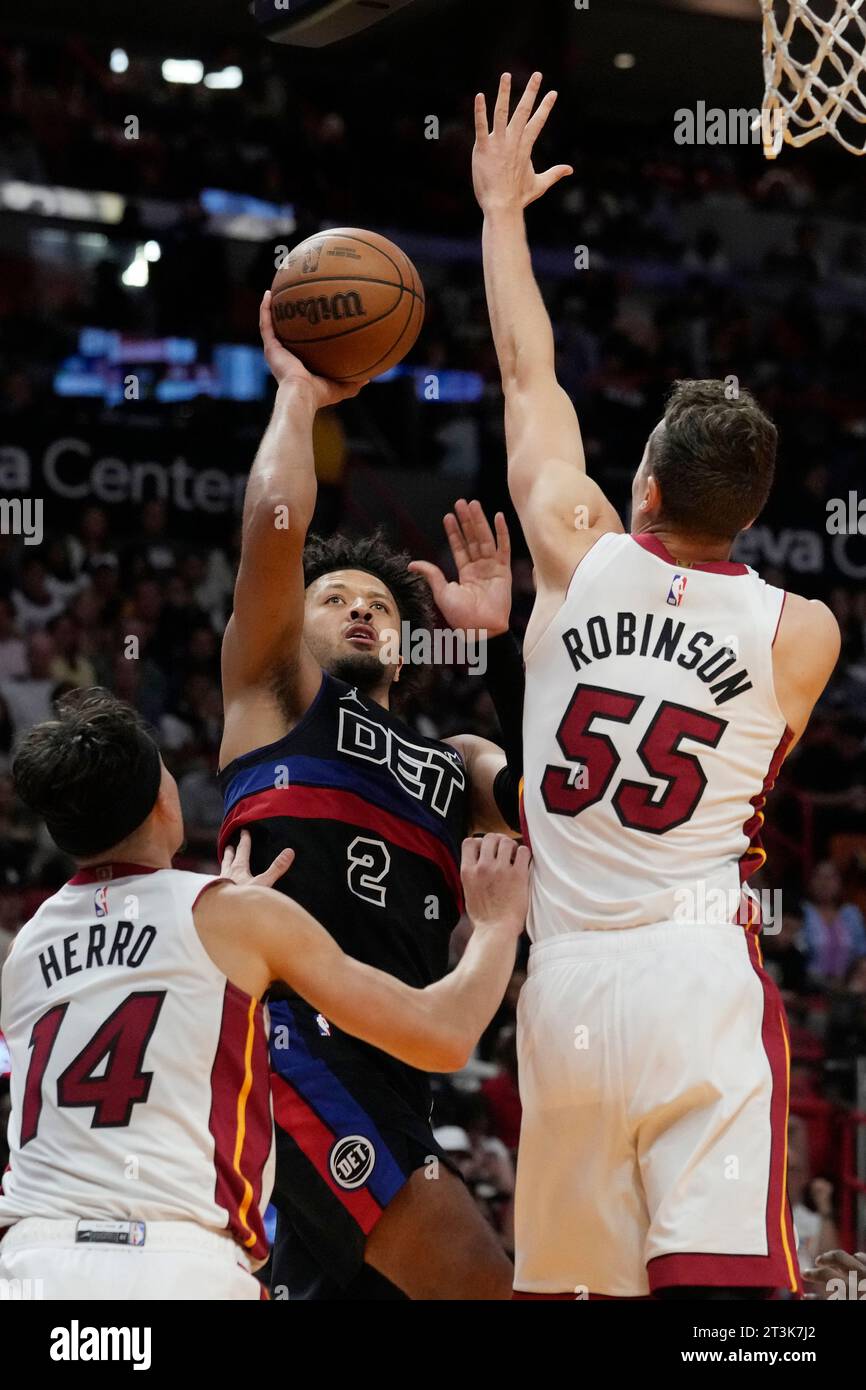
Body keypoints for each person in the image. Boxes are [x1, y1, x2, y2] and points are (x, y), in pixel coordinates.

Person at [472, 71, 842, 1301]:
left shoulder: (573, 548)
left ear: (638, 491)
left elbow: (528, 382)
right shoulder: (802, 633)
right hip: (694, 976)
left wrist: (499, 215)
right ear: (750, 515)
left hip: (566, 984)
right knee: (726, 1296)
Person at [0, 688, 528, 1300]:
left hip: (31, 1263)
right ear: (164, 802)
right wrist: (495, 925)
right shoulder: (233, 918)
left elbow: (130, 967)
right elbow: (444, 1035)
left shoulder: (26, 948)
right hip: (174, 1264)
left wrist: (226, 913)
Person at [217, 301, 525, 1300]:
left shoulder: (457, 762)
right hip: (289, 1041)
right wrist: (299, 399)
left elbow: (563, 799)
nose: (360, 608)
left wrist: (500, 647)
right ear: (293, 627)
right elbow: (275, 531)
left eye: (382, 604)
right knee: (480, 1281)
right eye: (334, 597)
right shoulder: (272, 700)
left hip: (400, 1073)